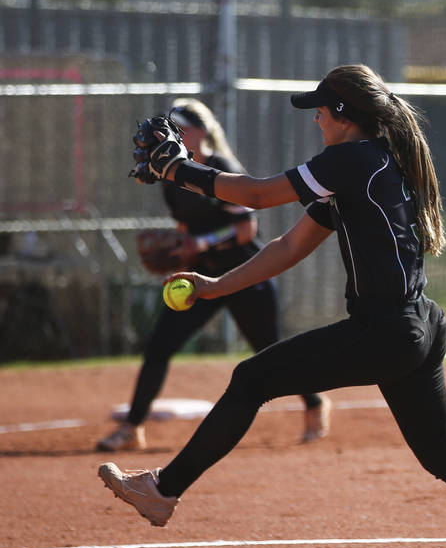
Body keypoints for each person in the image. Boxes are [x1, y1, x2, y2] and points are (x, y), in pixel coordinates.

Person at [98, 65, 446, 548]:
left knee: (251, 378)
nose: (317, 119)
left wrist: (179, 169)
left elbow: (257, 196)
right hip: (418, 323)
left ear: (345, 117)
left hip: (386, 329)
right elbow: (288, 247)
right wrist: (216, 287)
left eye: (321, 111)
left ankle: (163, 491)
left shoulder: (350, 159)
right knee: (445, 456)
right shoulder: (374, 162)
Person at [97, 99, 331, 452]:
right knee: (159, 346)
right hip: (202, 276)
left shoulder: (222, 168)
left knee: (271, 352)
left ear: (202, 132)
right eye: (170, 128)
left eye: (181, 128)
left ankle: (314, 404)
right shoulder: (170, 174)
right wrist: (178, 249)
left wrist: (199, 244)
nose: (173, 135)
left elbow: (245, 229)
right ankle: (132, 428)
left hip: (245, 273)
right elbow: (185, 224)